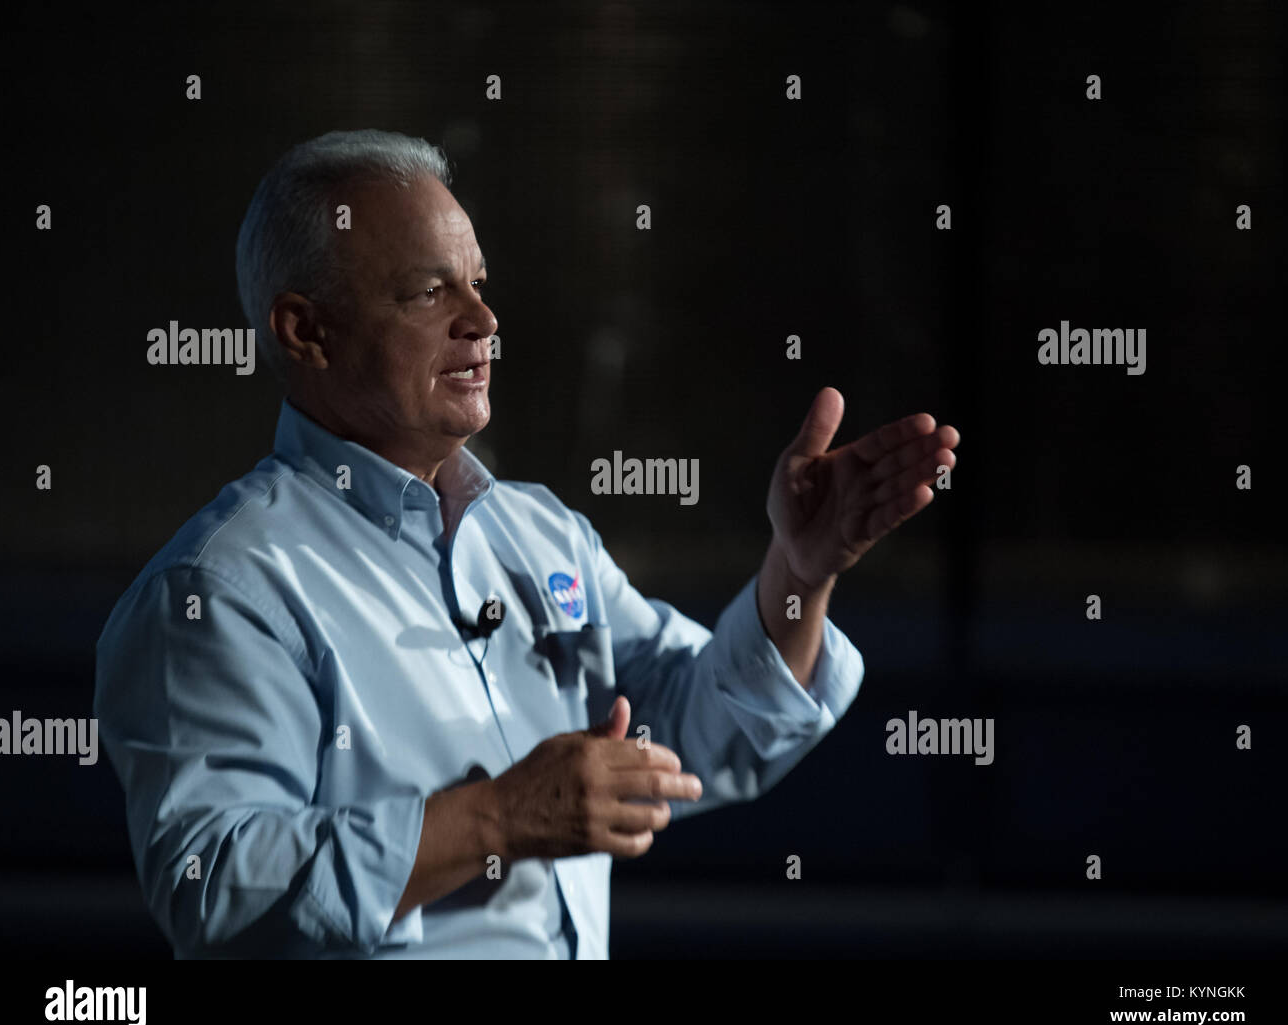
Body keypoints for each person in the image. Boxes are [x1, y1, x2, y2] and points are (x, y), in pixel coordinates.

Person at [93, 129, 960, 959]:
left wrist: (800, 572)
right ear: (304, 330)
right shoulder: (223, 588)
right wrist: (498, 819)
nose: (483, 319)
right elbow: (214, 891)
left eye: (477, 284)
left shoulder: (537, 531)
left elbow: (699, 733)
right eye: (430, 293)